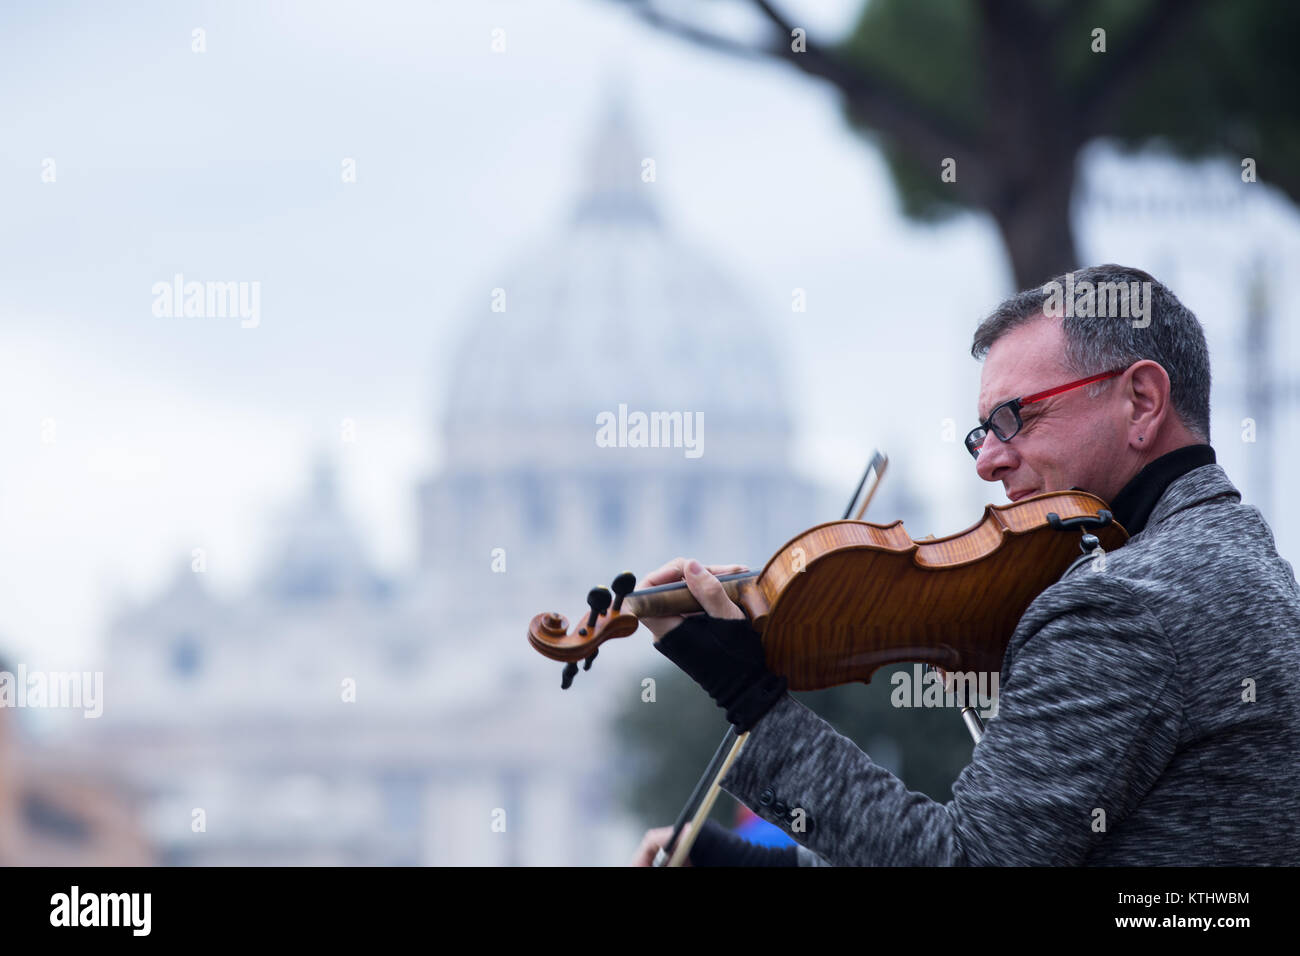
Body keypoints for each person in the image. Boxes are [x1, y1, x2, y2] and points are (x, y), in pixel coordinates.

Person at [631, 264, 1300, 866]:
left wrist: (753, 701)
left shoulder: (1124, 604)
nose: (986, 462)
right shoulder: (1244, 561)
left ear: (1142, 402)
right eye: (983, 432)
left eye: (1016, 418)